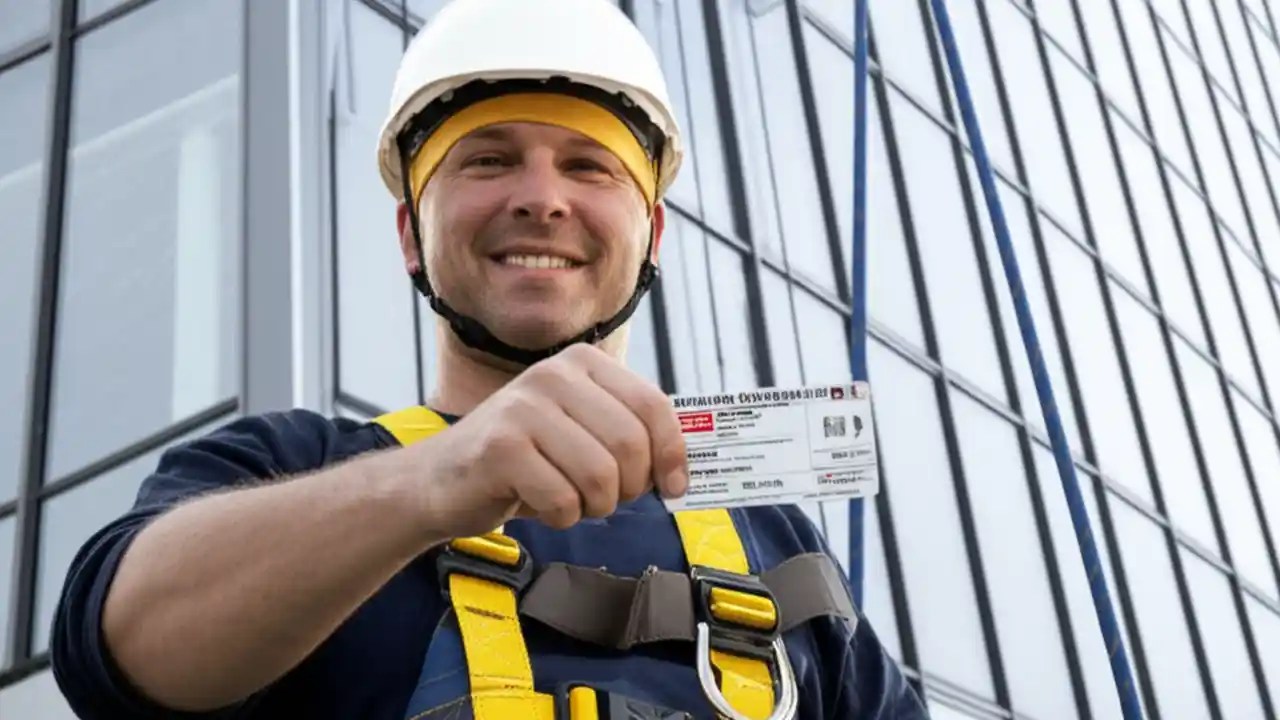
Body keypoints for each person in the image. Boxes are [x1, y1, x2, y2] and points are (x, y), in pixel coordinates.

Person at [50, 0, 928, 718]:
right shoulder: (289, 466)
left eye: (589, 167)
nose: (541, 199)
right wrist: (442, 478)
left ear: (652, 235)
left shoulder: (768, 537)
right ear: (411, 236)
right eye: (488, 160)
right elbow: (118, 652)